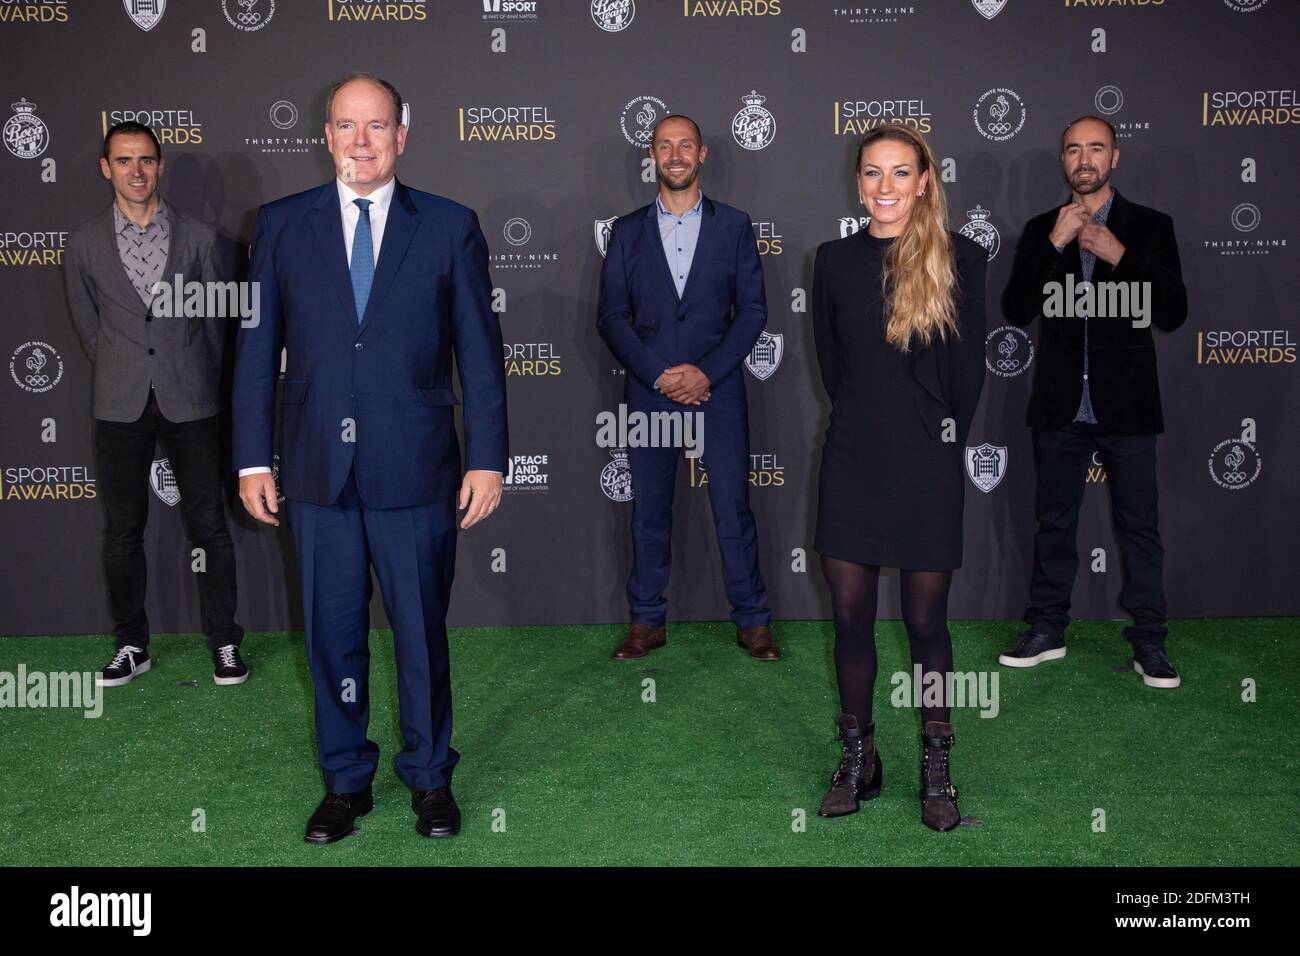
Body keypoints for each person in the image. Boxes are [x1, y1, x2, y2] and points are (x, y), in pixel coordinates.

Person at [232, 74, 508, 843]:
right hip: (316, 470)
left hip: (417, 469)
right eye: (348, 126)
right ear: (326, 135)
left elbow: (480, 358)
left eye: (377, 126)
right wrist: (253, 457)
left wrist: (487, 459)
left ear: (402, 135)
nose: (361, 140)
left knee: (421, 633)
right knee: (330, 635)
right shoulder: (282, 225)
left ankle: (429, 777)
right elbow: (256, 351)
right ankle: (346, 780)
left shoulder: (451, 226)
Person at [812, 124, 986, 830]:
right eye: (872, 174)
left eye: (899, 173)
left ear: (924, 180)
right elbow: (833, 365)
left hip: (927, 463)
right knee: (850, 616)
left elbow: (968, 379)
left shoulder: (963, 259)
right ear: (858, 182)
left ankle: (937, 769)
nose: (885, 187)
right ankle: (859, 758)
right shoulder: (831, 260)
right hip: (854, 457)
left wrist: (933, 443)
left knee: (924, 622)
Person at [999, 115, 1187, 689]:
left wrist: (1119, 255)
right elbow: (1015, 309)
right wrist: (1056, 243)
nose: (1084, 158)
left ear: (1115, 158)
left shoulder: (1149, 226)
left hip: (1126, 404)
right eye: (1074, 149)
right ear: (1063, 161)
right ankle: (1047, 628)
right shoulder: (1041, 228)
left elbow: (1174, 314)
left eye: (1096, 148)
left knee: (1140, 527)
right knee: (1053, 524)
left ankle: (1149, 641)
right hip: (1061, 405)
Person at [63, 121, 247, 689]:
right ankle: (132, 645)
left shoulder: (200, 237)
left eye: (146, 160)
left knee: (210, 526)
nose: (136, 171)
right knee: (122, 531)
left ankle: (224, 643)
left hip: (191, 396)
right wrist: (127, 371)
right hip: (119, 402)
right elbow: (88, 327)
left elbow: (217, 329)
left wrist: (195, 377)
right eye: (124, 161)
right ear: (106, 167)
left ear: (160, 166)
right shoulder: (84, 243)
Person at [597, 114, 779, 662]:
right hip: (651, 393)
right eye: (663, 146)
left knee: (733, 508)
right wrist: (657, 374)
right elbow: (611, 317)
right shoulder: (626, 232)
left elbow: (752, 312)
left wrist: (706, 373)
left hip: (716, 391)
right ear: (651, 156)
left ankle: (752, 621)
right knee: (649, 509)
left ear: (702, 154)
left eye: (684, 146)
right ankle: (647, 620)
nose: (674, 155)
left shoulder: (735, 225)